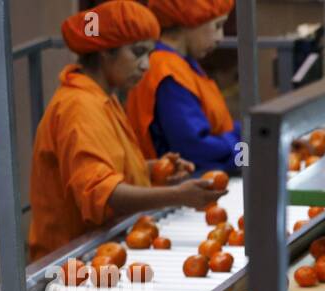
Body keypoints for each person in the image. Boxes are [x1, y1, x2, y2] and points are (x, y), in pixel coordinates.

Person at [28, 0, 223, 261]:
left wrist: (152, 168)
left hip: (103, 247)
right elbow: (105, 193)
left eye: (148, 54)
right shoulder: (78, 108)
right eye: (138, 53)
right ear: (105, 52)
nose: (145, 65)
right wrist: (177, 196)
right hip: (71, 262)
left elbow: (103, 167)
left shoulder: (103, 97)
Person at [127, 0, 242, 175]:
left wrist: (244, 134)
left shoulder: (180, 65)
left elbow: (213, 126)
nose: (220, 37)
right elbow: (196, 151)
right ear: (191, 20)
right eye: (217, 26)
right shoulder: (168, 74)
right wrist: (244, 145)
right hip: (179, 190)